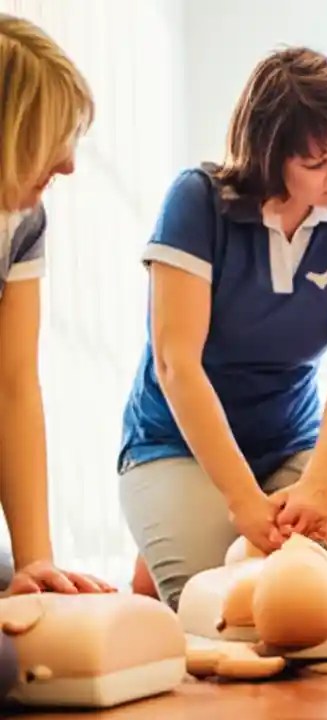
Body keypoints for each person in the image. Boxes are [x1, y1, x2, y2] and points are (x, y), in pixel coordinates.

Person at [117, 47, 327, 610]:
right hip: (175, 443)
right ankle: (173, 519)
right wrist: (243, 501)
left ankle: (184, 525)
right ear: (270, 156)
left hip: (288, 441)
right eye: (318, 160)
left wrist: (320, 482)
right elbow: (176, 364)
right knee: (226, 604)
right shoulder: (197, 201)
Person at [0, 14, 114, 595]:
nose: (67, 164)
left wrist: (34, 565)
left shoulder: (23, 222)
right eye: (51, 136)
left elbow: (13, 384)